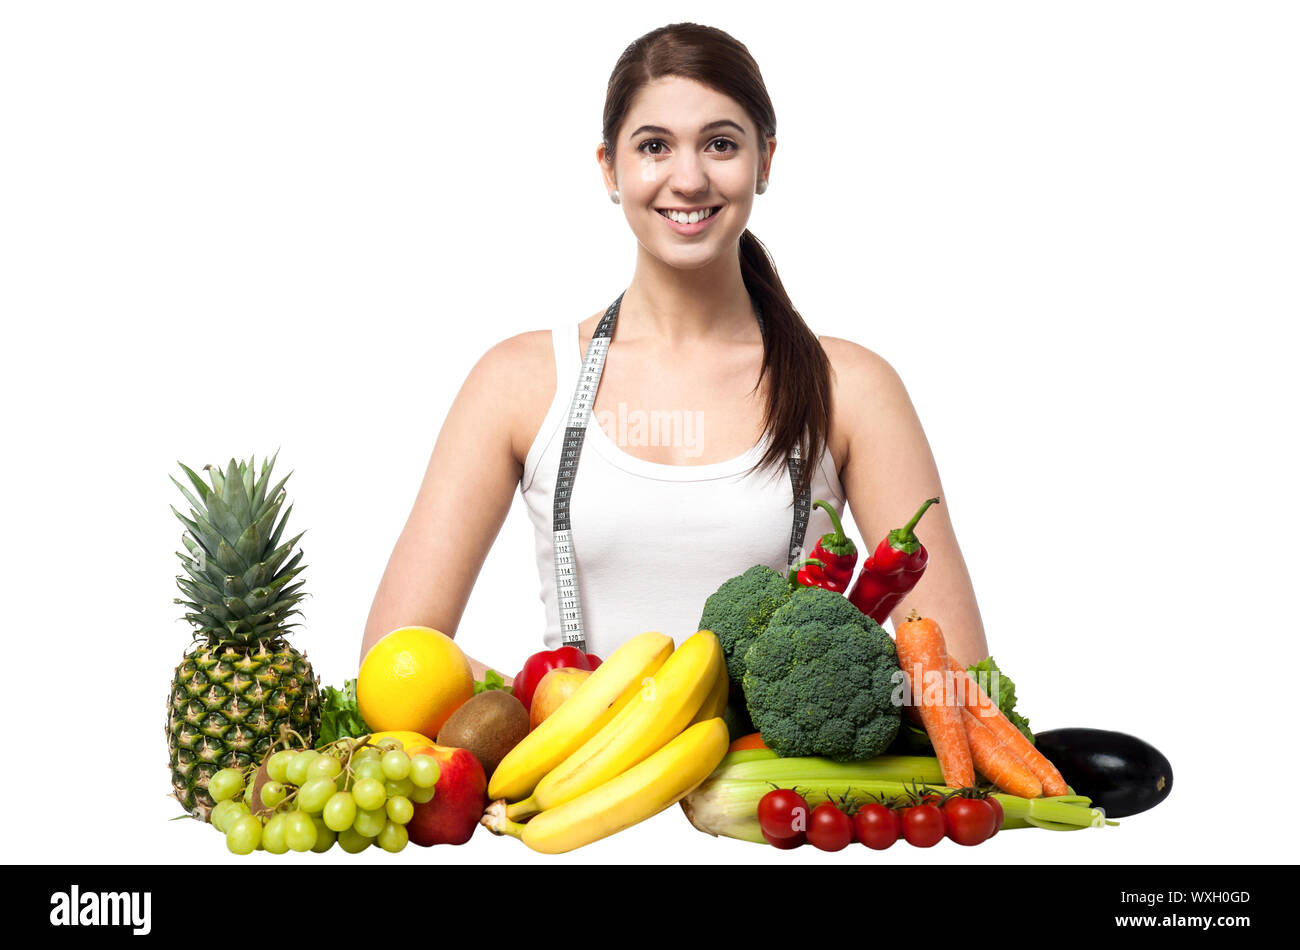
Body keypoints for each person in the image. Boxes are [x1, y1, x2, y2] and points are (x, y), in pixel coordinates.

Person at [360, 22, 989, 677]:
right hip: (568, 746)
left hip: (774, 756)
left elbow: (964, 677)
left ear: (765, 161)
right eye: (654, 146)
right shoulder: (519, 383)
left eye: (720, 144)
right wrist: (541, 714)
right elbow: (395, 651)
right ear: (610, 167)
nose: (688, 179)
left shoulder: (851, 388)